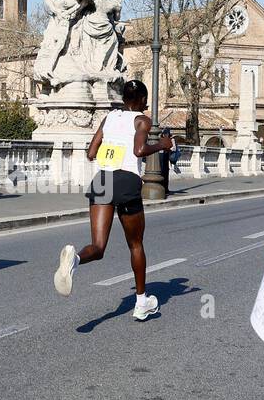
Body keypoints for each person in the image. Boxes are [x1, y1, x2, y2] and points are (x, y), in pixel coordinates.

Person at [52, 79, 173, 321]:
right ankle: (141, 302)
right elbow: (139, 151)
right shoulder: (142, 120)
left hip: (103, 180)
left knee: (98, 247)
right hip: (126, 181)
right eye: (145, 100)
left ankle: (75, 259)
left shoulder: (108, 118)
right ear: (142, 100)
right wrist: (163, 144)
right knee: (135, 244)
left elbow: (91, 153)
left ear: (123, 98)